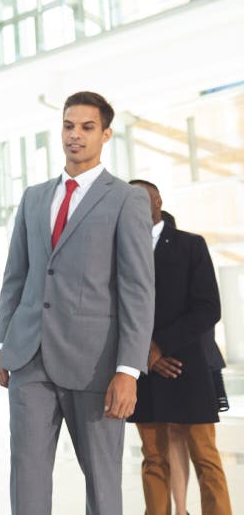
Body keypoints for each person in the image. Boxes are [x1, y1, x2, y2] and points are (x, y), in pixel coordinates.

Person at [0, 91, 154, 514]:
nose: (75, 135)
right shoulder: (33, 197)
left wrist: (128, 370)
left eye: (86, 127)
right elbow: (16, 276)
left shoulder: (126, 199)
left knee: (102, 483)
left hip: (96, 365)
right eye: (68, 126)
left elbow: (137, 289)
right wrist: (2, 342)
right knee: (26, 478)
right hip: (29, 357)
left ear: (106, 135)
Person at [127, 179, 232, 515]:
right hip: (144, 369)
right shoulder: (121, 251)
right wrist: (146, 353)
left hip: (187, 366)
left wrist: (160, 346)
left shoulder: (190, 245)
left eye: (140, 199)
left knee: (205, 457)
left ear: (157, 202)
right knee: (153, 458)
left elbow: (208, 308)